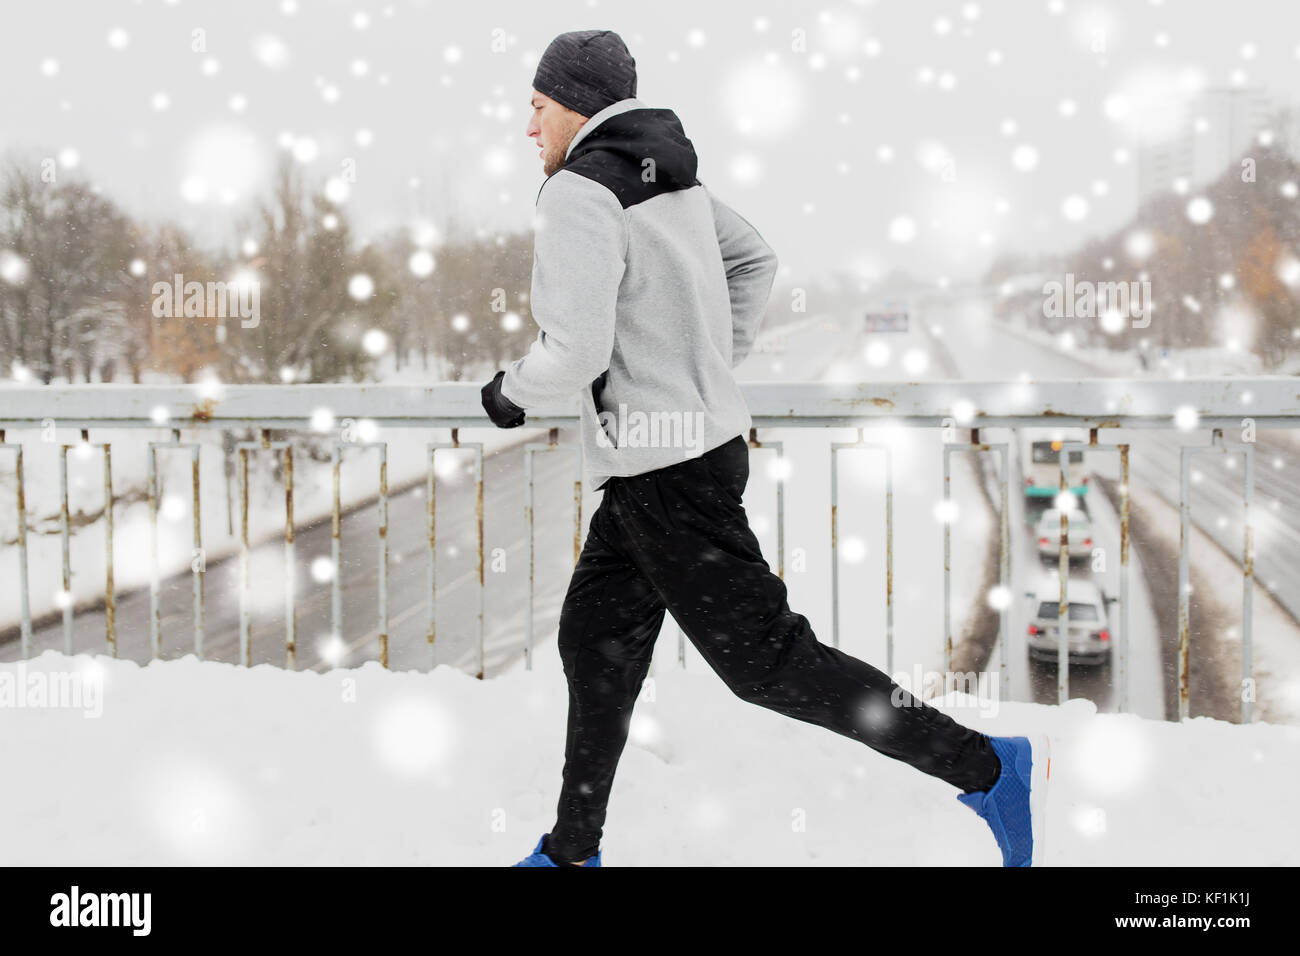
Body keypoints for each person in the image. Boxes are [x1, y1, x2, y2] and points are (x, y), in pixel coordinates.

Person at [480, 29, 1046, 868]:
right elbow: (755, 259)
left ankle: (991, 767)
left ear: (574, 102)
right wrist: (711, 361)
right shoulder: (664, 175)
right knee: (593, 638)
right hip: (672, 466)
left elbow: (576, 350)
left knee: (770, 663)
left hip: (665, 477)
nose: (528, 127)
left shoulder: (578, 192)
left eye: (536, 106)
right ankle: (572, 850)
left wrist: (505, 394)